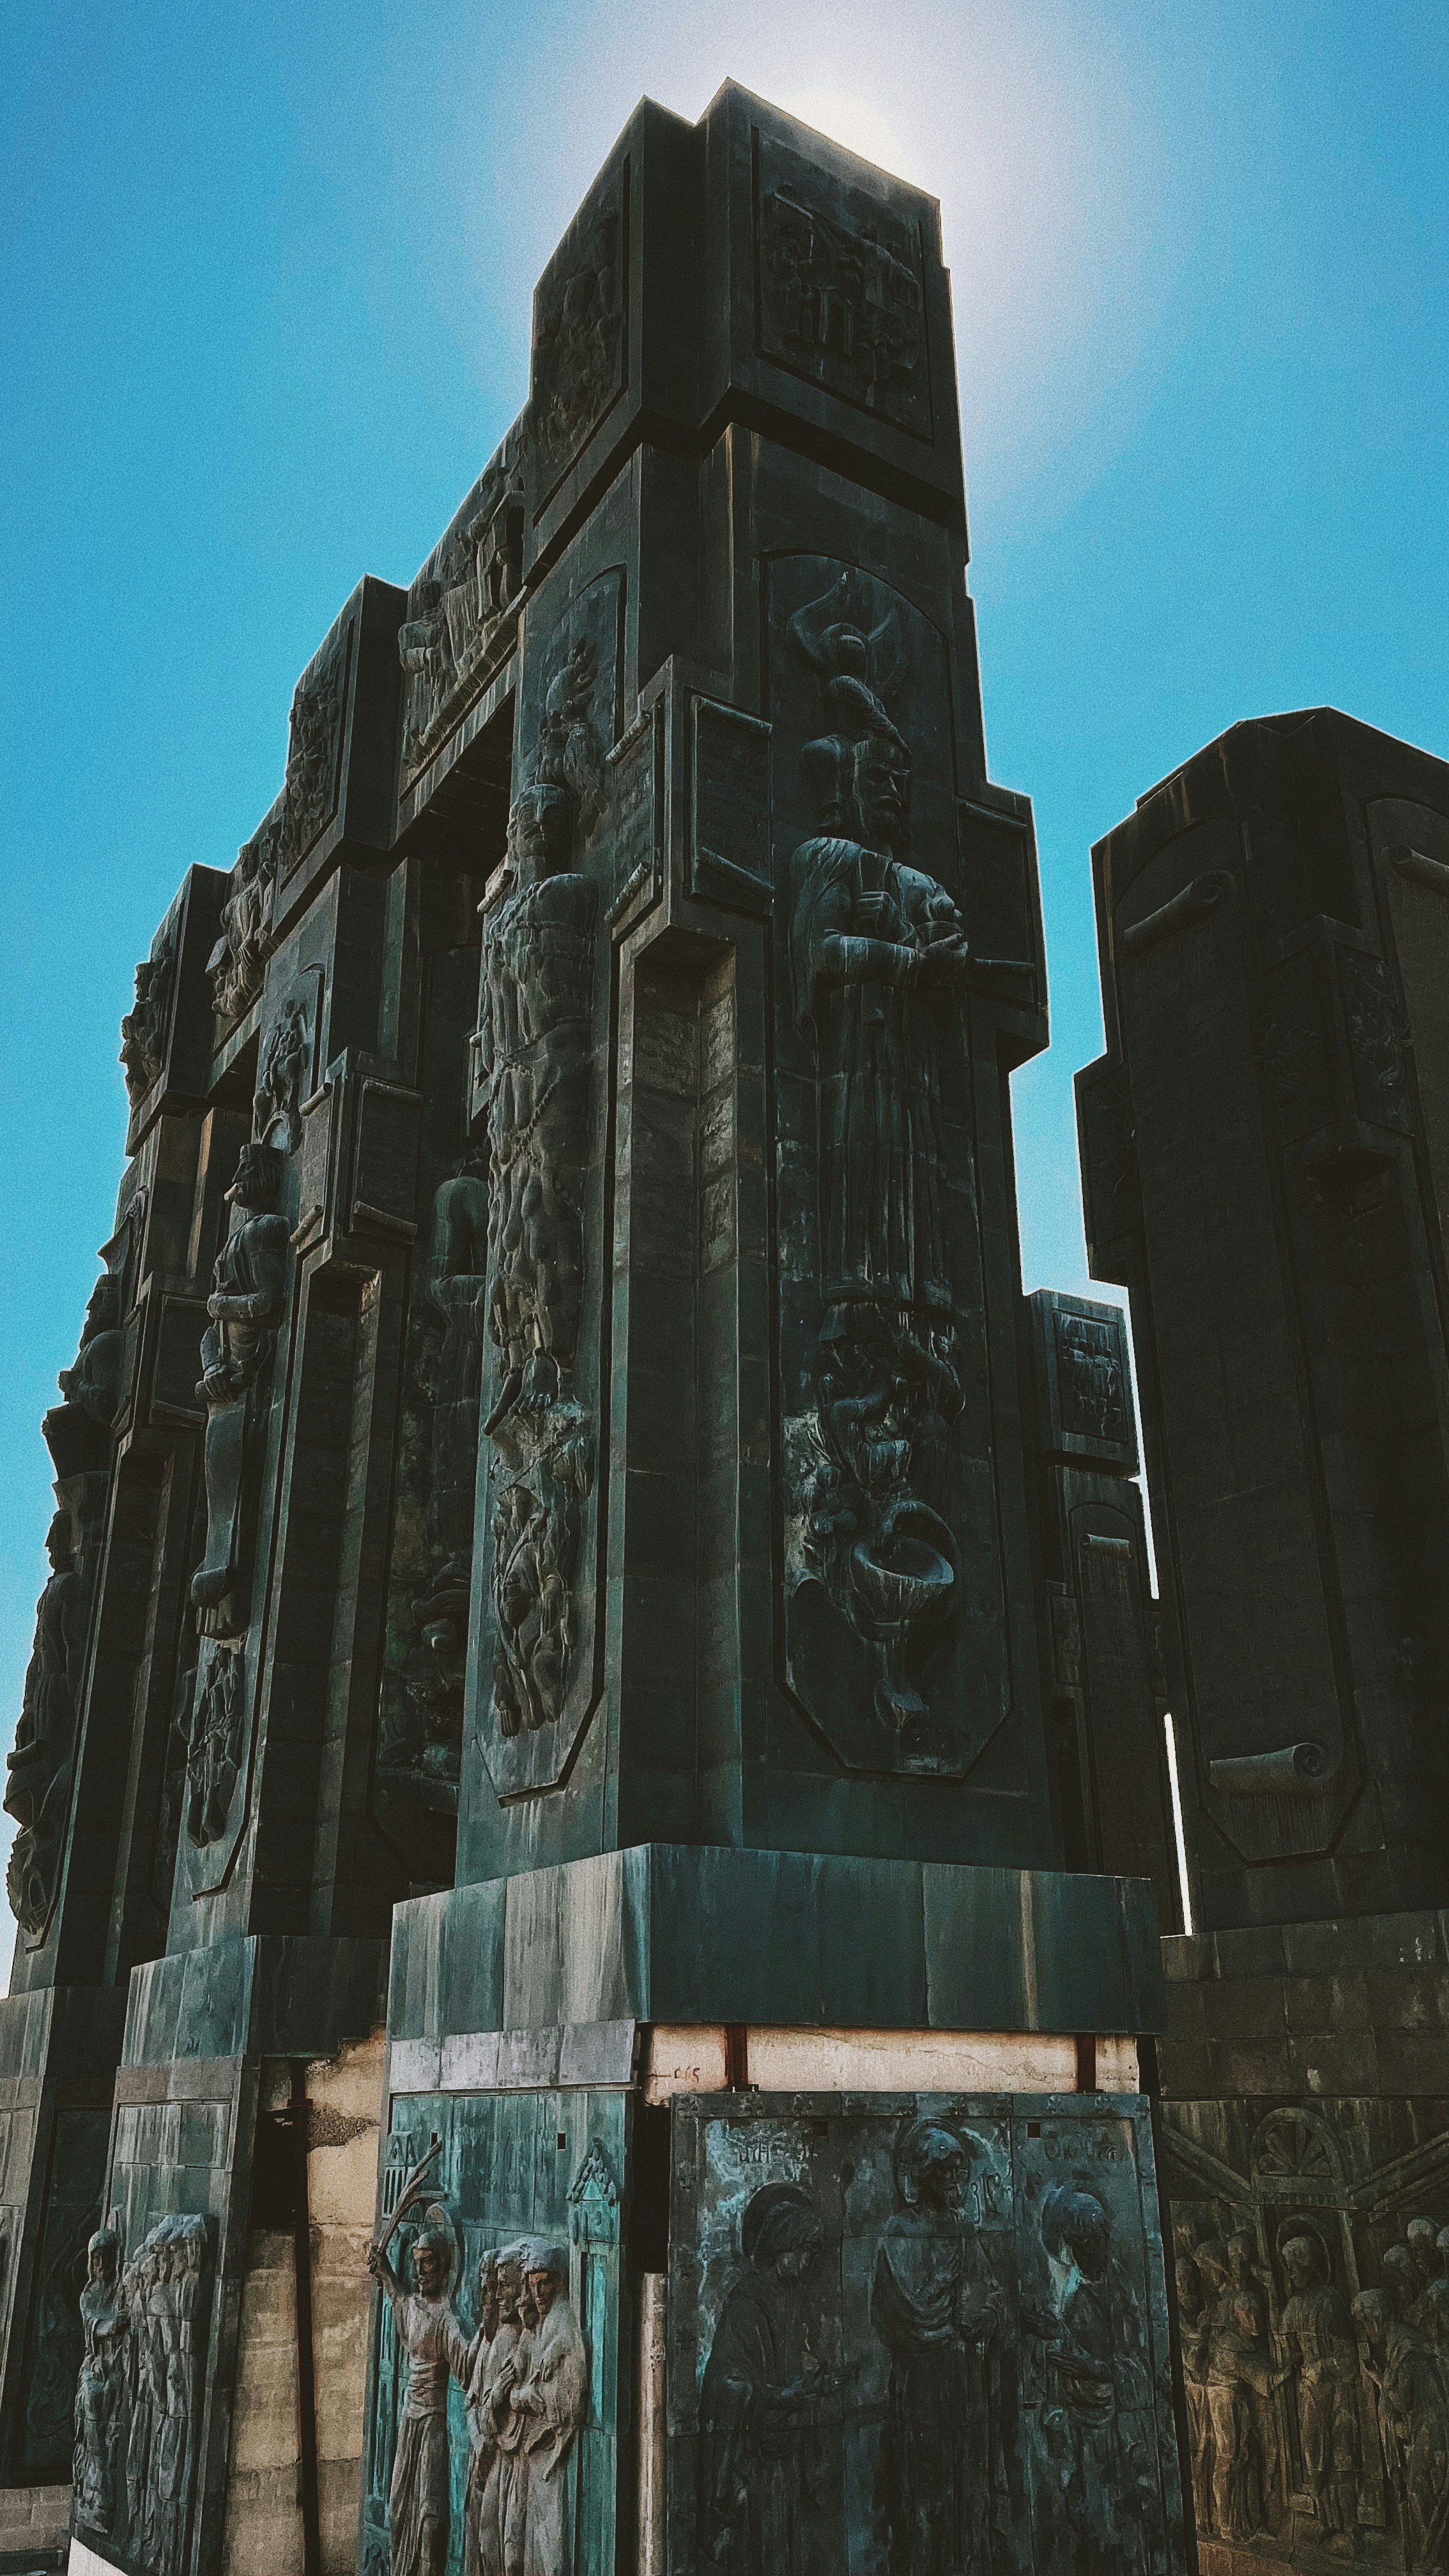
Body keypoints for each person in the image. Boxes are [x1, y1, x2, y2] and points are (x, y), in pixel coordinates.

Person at [871, 2117, 1006, 2576]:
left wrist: (983, 2314)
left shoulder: (963, 2230)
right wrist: (951, 2321)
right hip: (922, 2384)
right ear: (922, 2177)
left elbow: (990, 2294)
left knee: (969, 2494)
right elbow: (897, 2317)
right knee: (926, 2502)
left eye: (957, 2171)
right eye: (943, 2172)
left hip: (964, 2381)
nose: (953, 2180)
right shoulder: (898, 2233)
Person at [698, 2181, 834, 2576]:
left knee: (785, 2550)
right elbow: (726, 2381)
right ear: (782, 2247)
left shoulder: (793, 2299)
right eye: (805, 2252)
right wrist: (775, 2395)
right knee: (760, 2550)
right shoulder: (748, 2303)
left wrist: (816, 2379)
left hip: (786, 2453)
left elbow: (800, 2357)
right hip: (755, 2458)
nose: (810, 2262)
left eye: (814, 2253)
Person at [369, 2216, 472, 2576]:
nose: (421, 2271)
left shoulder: (448, 2320)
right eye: (417, 2263)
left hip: (432, 2421)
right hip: (408, 2416)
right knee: (398, 2504)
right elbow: (398, 2296)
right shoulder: (412, 2306)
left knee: (430, 2515)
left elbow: (469, 2362)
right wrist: (383, 2270)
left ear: (444, 2265)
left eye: (428, 2262)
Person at [512, 2243, 588, 2576]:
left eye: (545, 2283)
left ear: (558, 2283)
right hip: (538, 2448)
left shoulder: (562, 2321)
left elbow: (563, 2399)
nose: (538, 2292)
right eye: (533, 2285)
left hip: (553, 2446)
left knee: (549, 2545)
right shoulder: (542, 2323)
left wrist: (523, 2396)